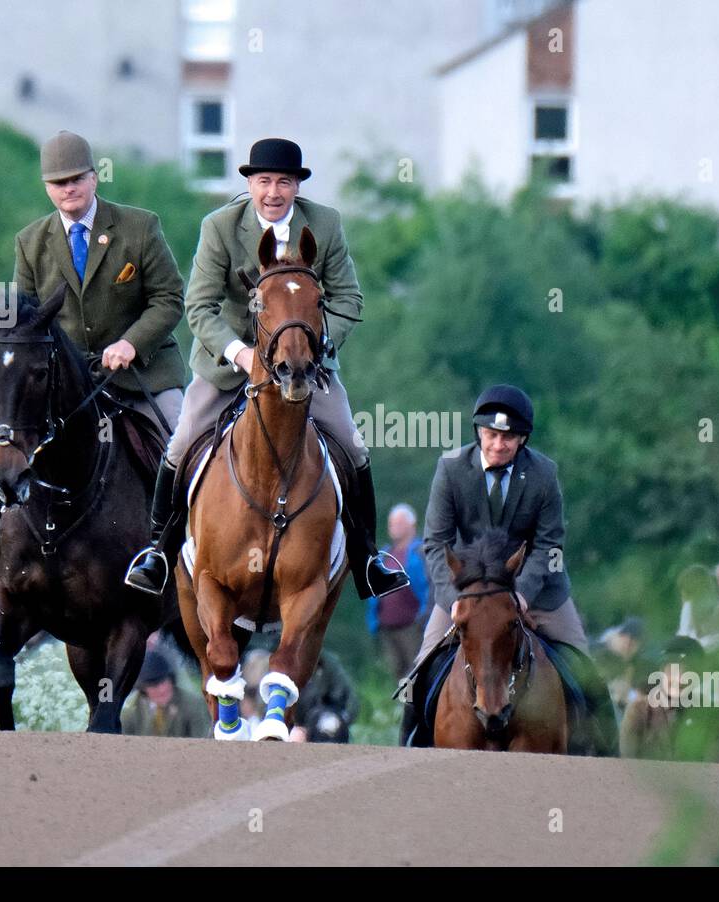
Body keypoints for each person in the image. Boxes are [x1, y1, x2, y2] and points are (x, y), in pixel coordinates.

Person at [123, 137, 409, 601]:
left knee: (354, 446)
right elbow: (199, 306)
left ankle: (367, 558)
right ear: (251, 184)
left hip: (305, 365)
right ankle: (159, 551)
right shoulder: (219, 226)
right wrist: (242, 355)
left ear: (297, 186)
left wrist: (315, 347)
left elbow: (348, 299)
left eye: (283, 182)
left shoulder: (325, 225)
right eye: (264, 181)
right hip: (229, 365)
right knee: (181, 442)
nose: (273, 192)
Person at [0, 130, 187, 581]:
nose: (68, 189)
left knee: (181, 445)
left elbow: (169, 298)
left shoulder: (139, 227)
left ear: (94, 178)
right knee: (7, 439)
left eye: (76, 179)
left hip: (142, 377)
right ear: (47, 188)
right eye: (58, 183)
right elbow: (27, 315)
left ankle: (175, 551)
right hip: (68, 386)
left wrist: (131, 343)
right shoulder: (30, 241)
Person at [399, 384, 613, 752]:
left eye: (508, 437)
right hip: (468, 590)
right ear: (479, 432)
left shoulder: (544, 474)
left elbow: (549, 546)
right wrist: (452, 599)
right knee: (419, 674)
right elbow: (434, 544)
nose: (498, 444)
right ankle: (405, 752)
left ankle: (611, 759)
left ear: (522, 439)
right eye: (491, 435)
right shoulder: (451, 469)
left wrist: (522, 594)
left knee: (589, 676)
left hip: (539, 592)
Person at [366, 503, 430, 679]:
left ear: (412, 525)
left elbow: (429, 588)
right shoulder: (383, 555)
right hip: (387, 627)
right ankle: (405, 698)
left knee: (417, 671)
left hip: (413, 626)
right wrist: (374, 620)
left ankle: (419, 698)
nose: (394, 527)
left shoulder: (421, 552)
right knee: (398, 674)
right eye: (392, 524)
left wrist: (424, 617)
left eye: (399, 523)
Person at [121, 649, 212, 738]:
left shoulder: (194, 705)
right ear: (143, 689)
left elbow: (202, 742)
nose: (162, 690)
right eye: (154, 685)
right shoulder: (129, 711)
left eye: (164, 681)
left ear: (171, 679)